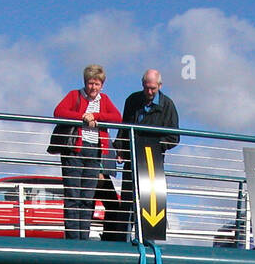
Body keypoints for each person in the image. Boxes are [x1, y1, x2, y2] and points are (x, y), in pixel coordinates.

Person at [109, 70, 180, 242]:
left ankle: (147, 244)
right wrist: (120, 148)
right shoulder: (132, 100)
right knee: (127, 202)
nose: (149, 92)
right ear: (142, 85)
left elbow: (174, 137)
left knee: (150, 205)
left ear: (160, 86)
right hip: (132, 160)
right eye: (147, 88)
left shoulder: (168, 105)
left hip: (152, 163)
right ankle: (123, 244)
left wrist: (154, 146)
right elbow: (124, 128)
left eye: (153, 89)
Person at [53, 65, 122, 240]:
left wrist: (96, 116)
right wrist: (83, 116)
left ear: (102, 85)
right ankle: (72, 240)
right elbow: (59, 112)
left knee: (87, 198)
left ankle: (83, 239)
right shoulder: (74, 95)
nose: (93, 87)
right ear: (85, 83)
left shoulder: (104, 100)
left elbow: (117, 117)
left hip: (95, 152)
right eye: (91, 83)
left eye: (97, 84)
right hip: (75, 150)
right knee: (73, 196)